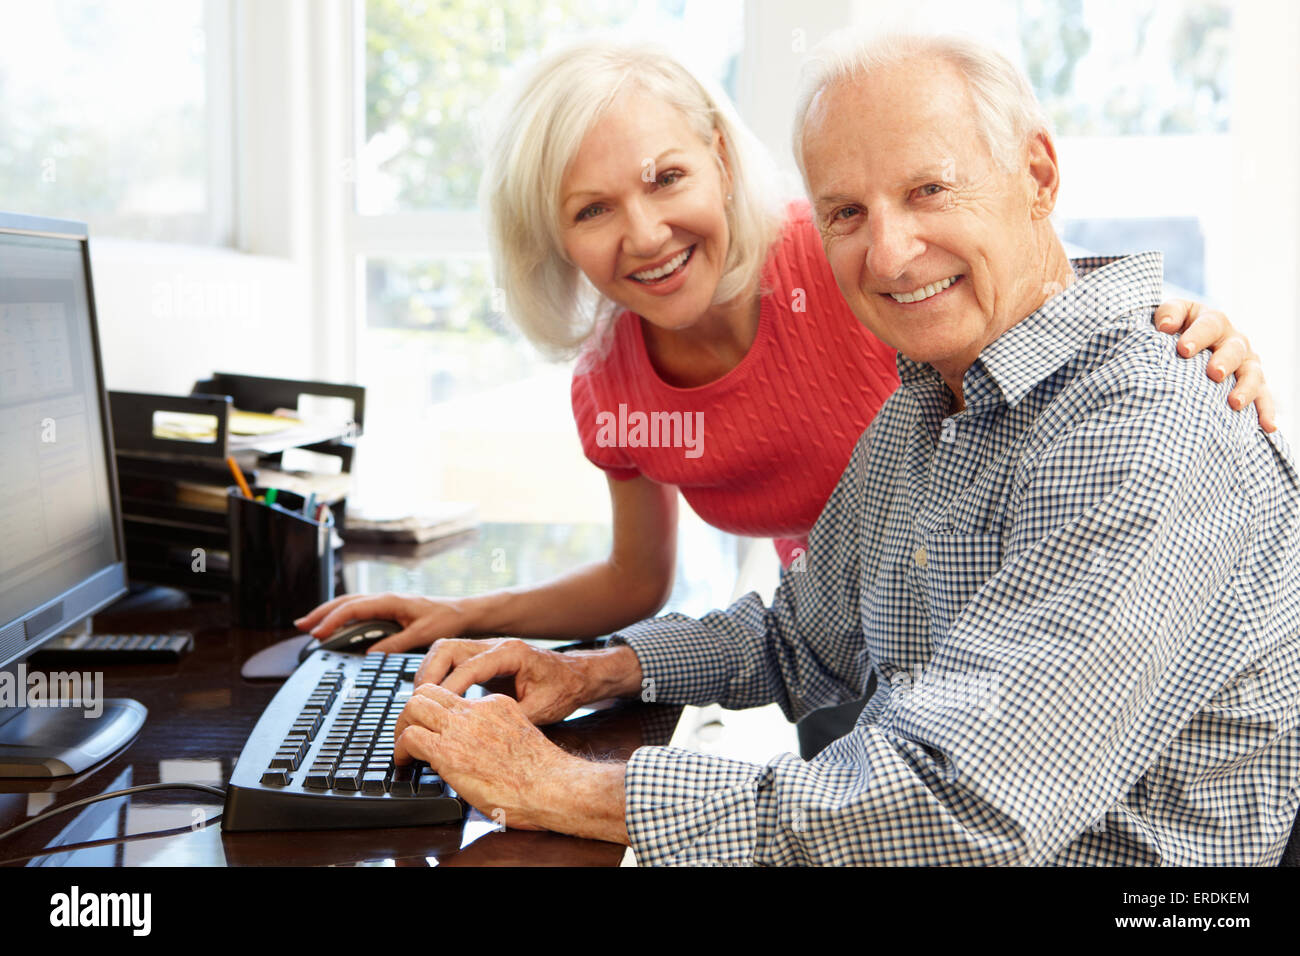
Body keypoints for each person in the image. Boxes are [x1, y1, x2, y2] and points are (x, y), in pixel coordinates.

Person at [383, 31, 1300, 865]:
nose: (891, 254)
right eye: (847, 213)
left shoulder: (1132, 427)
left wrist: (560, 788)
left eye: (928, 189)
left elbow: (957, 802)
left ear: (1038, 175)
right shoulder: (926, 400)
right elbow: (802, 634)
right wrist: (590, 668)